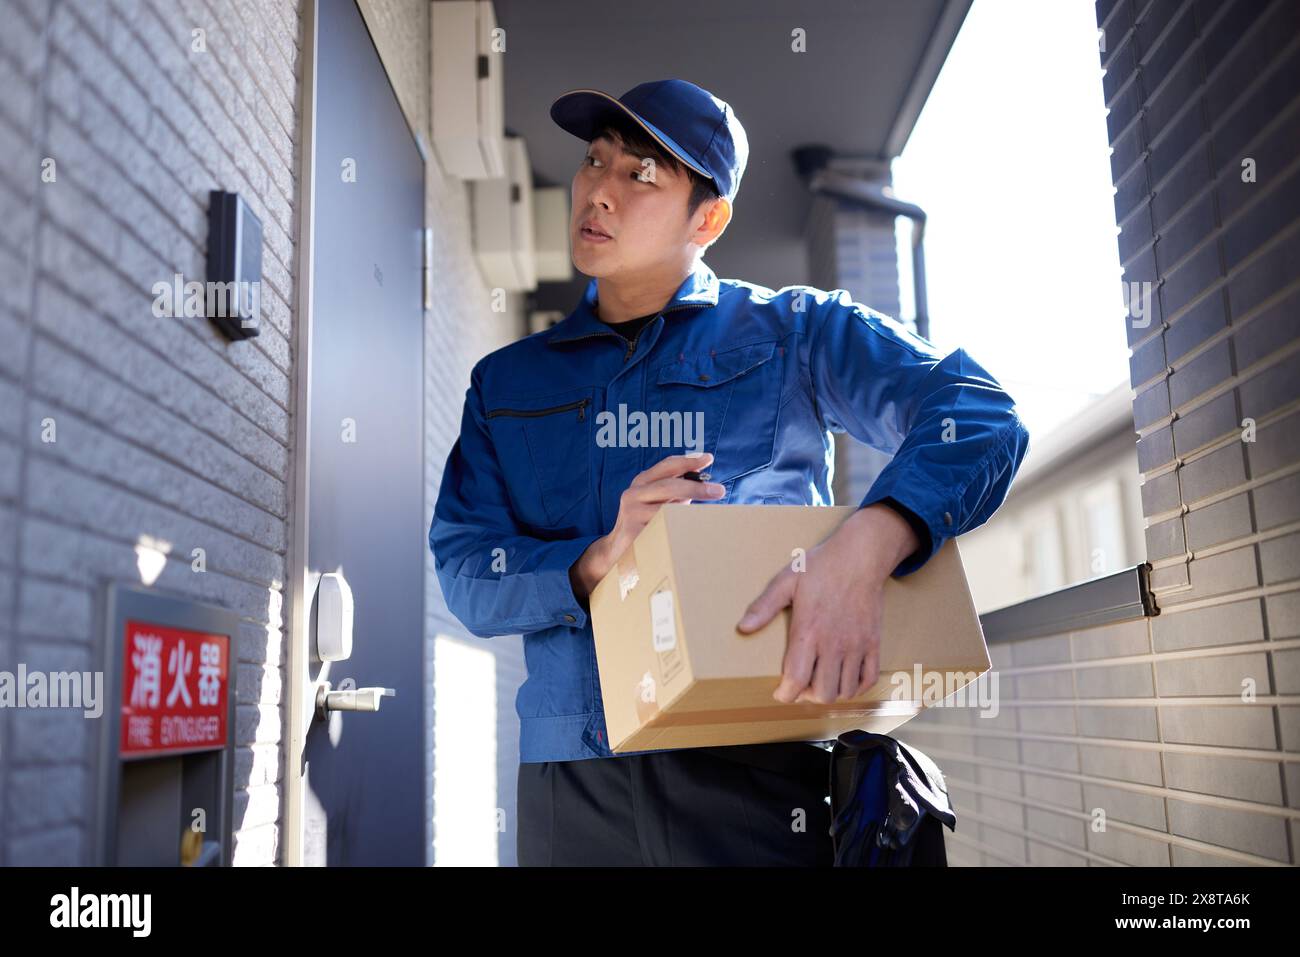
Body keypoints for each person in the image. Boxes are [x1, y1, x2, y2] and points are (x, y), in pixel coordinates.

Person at [430, 78, 1030, 866]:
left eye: (641, 173)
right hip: (569, 786)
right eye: (595, 160)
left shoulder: (797, 333)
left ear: (707, 218)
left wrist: (866, 547)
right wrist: (594, 561)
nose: (600, 189)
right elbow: (467, 568)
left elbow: (979, 413)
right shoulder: (507, 385)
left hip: (756, 767)